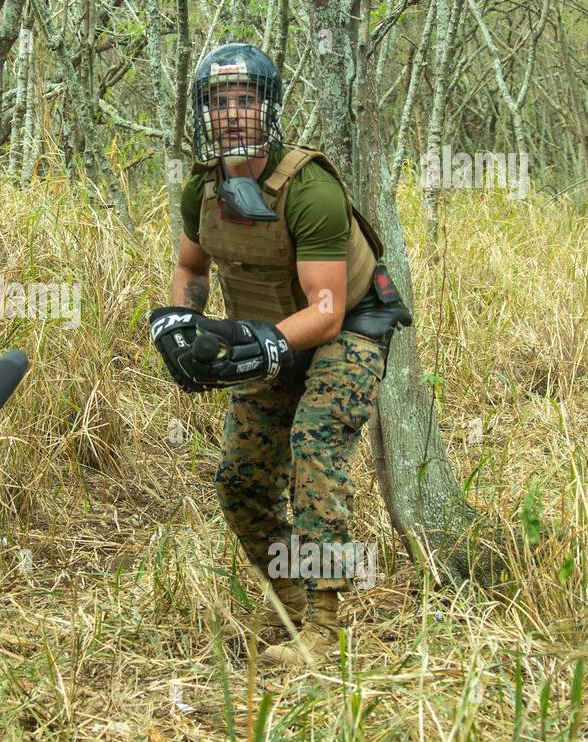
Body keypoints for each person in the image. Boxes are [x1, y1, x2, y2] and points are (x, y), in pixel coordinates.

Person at [149, 43, 411, 667]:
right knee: (240, 479)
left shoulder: (307, 187)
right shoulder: (201, 191)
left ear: (267, 109)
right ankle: (292, 591)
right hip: (267, 330)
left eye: (246, 99)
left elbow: (324, 312)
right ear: (204, 112)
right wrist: (182, 325)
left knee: (315, 442)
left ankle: (323, 622)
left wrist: (250, 343)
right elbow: (190, 269)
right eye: (220, 101)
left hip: (348, 323)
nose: (233, 113)